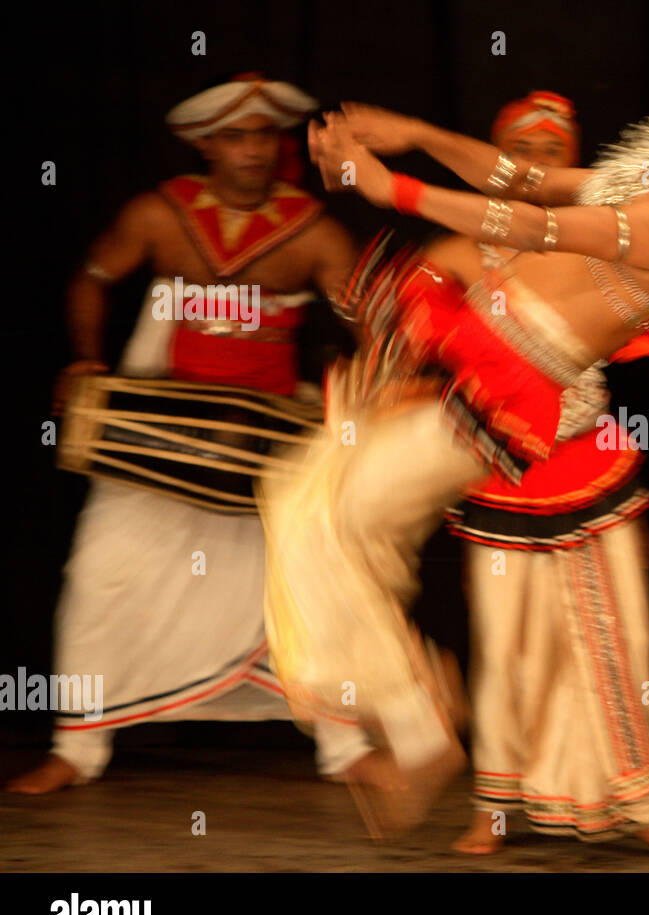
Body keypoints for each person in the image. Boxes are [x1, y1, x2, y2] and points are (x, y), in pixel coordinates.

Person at [256, 102, 649, 837]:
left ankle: (440, 729)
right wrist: (416, 134)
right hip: (481, 373)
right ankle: (421, 724)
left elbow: (534, 226)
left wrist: (390, 187)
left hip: (511, 395)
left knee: (319, 513)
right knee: (308, 503)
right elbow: (527, 185)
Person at [7, 75, 375, 795]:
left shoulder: (314, 232)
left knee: (318, 580)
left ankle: (346, 745)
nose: (252, 150)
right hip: (160, 435)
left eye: (264, 135)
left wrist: (364, 388)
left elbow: (371, 324)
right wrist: (86, 359)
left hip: (267, 436)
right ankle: (76, 747)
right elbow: (90, 276)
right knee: (99, 574)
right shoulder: (160, 214)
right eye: (235, 136)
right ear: (206, 144)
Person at [419, 92, 649, 852]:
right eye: (520, 151)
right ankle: (494, 807)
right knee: (506, 644)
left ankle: (636, 804)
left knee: (619, 634)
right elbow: (407, 345)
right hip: (499, 468)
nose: (534, 165)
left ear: (572, 167)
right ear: (495, 163)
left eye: (551, 153)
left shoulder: (601, 246)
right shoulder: (457, 253)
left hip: (593, 462)